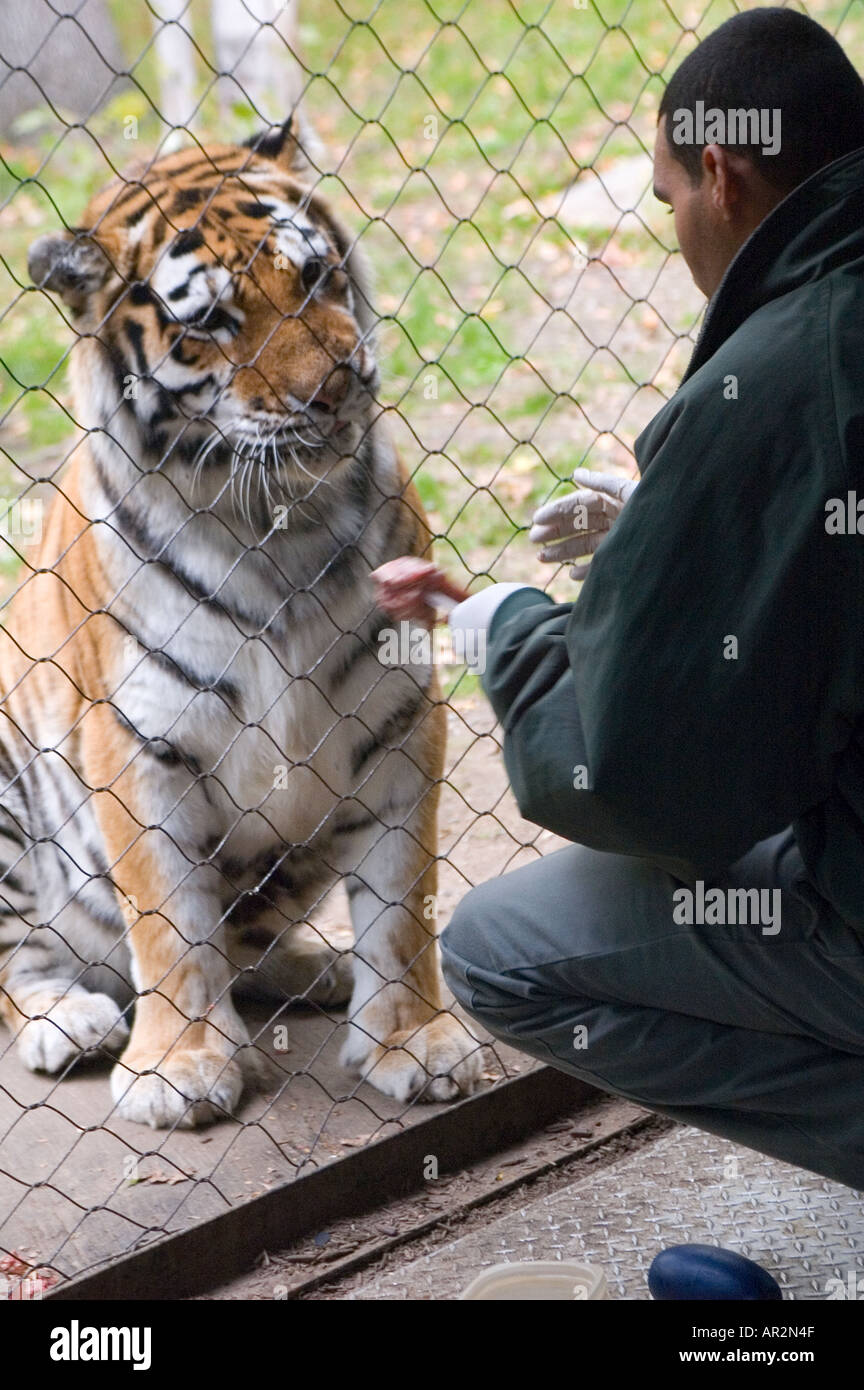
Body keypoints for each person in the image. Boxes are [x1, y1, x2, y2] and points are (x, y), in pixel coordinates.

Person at [374, 7, 864, 1190]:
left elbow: (641, 773)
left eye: (667, 203)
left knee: (498, 952)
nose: (678, 233)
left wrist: (509, 628)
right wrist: (670, 533)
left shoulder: (794, 363)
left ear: (721, 174)